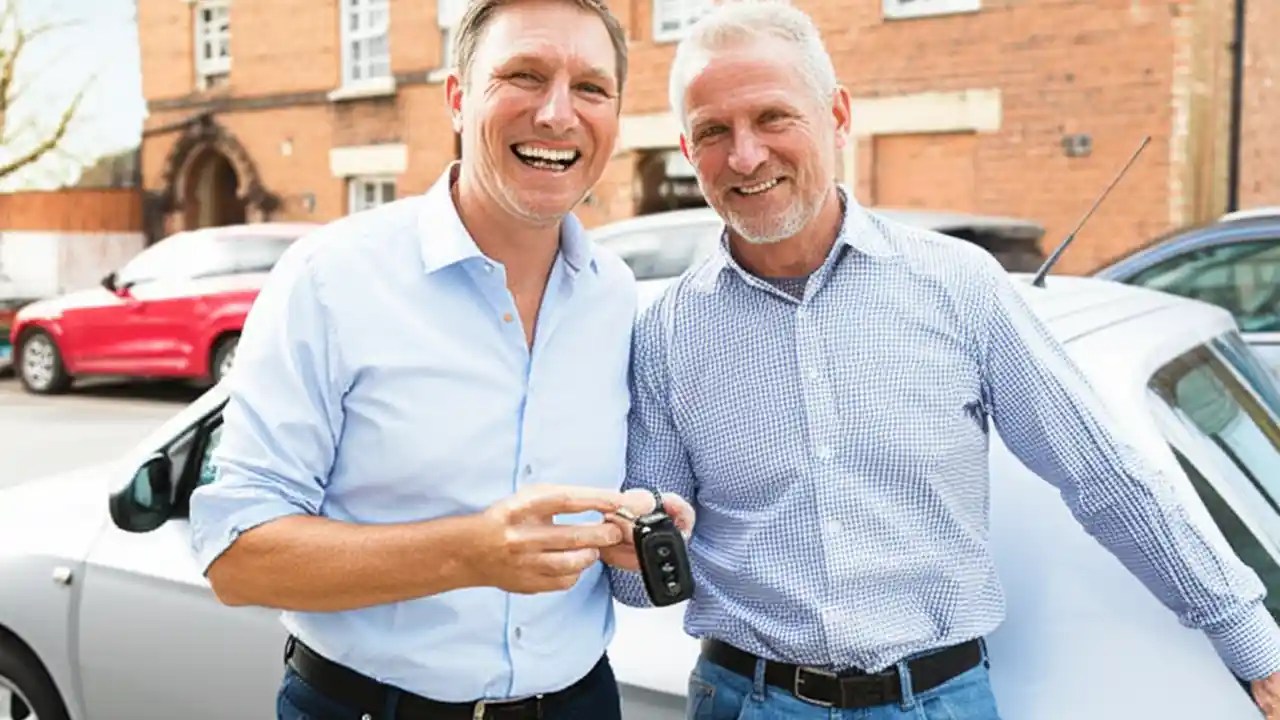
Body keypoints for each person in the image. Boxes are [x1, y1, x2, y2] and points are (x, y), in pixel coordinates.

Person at [606, 1, 1280, 718]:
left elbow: (1105, 478)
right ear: (687, 148)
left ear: (837, 116)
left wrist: (1249, 639)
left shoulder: (959, 287)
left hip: (938, 703)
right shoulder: (665, 333)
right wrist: (637, 553)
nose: (745, 156)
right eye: (715, 131)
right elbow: (645, 578)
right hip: (750, 702)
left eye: (774, 118)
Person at [188, 1, 690, 718]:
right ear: (457, 98)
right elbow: (236, 556)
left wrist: (631, 532)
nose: (556, 114)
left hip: (580, 701)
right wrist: (469, 553)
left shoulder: (617, 297)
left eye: (590, 88)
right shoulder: (330, 278)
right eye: (524, 75)